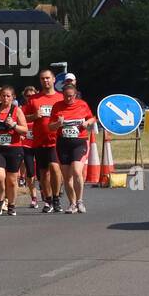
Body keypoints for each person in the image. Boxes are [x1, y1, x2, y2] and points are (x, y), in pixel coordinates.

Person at [48, 80, 96, 213]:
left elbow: (92, 118)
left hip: (79, 142)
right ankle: (72, 204)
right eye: (66, 96)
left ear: (75, 95)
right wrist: (58, 123)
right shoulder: (57, 106)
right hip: (63, 143)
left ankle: (80, 201)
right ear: (62, 95)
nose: (68, 99)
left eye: (71, 96)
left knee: (76, 171)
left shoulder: (82, 105)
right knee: (67, 176)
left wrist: (87, 123)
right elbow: (50, 127)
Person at [24, 69, 64, 213]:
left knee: (55, 168)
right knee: (43, 173)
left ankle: (56, 198)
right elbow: (22, 118)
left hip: (56, 140)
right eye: (42, 79)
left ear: (54, 79)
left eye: (48, 78)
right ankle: (47, 201)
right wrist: (34, 116)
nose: (45, 81)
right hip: (39, 140)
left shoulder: (60, 98)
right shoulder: (34, 99)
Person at [0, 83, 29, 216]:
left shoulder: (17, 110)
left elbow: (25, 130)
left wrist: (14, 125)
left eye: (8, 96)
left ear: (13, 97)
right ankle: (0, 200)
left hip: (14, 149)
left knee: (11, 180)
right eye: (3, 96)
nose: (5, 98)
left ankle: (12, 204)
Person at [18, 84, 41, 209]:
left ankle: (47, 195)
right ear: (24, 96)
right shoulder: (21, 109)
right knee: (30, 172)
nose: (30, 98)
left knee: (42, 173)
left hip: (40, 144)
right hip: (26, 145)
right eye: (27, 96)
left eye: (33, 96)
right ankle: (34, 198)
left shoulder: (40, 108)